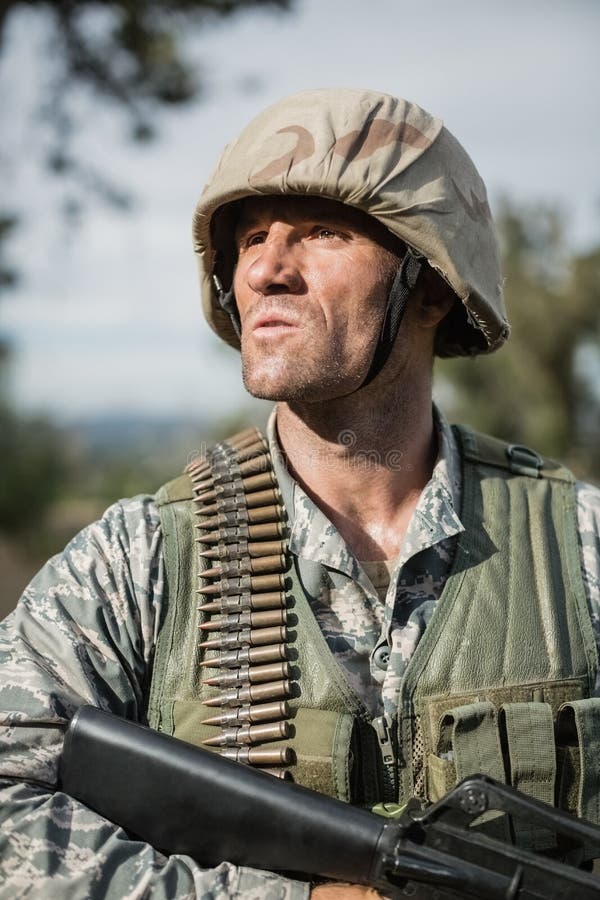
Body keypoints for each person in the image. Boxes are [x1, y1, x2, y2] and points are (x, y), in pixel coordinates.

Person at [1, 88, 599, 899]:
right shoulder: (139, 561)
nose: (265, 268)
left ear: (430, 285)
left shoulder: (579, 544)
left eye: (320, 231)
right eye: (251, 238)